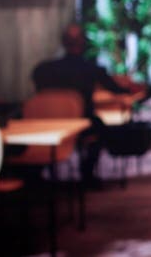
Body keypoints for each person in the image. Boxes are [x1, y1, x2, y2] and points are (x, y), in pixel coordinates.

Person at [31, 22, 142, 186]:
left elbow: (37, 83)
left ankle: (35, 176)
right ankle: (88, 174)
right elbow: (116, 89)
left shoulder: (44, 70)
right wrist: (131, 87)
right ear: (83, 43)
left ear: (63, 42)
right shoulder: (91, 69)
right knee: (101, 129)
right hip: (82, 122)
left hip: (50, 123)